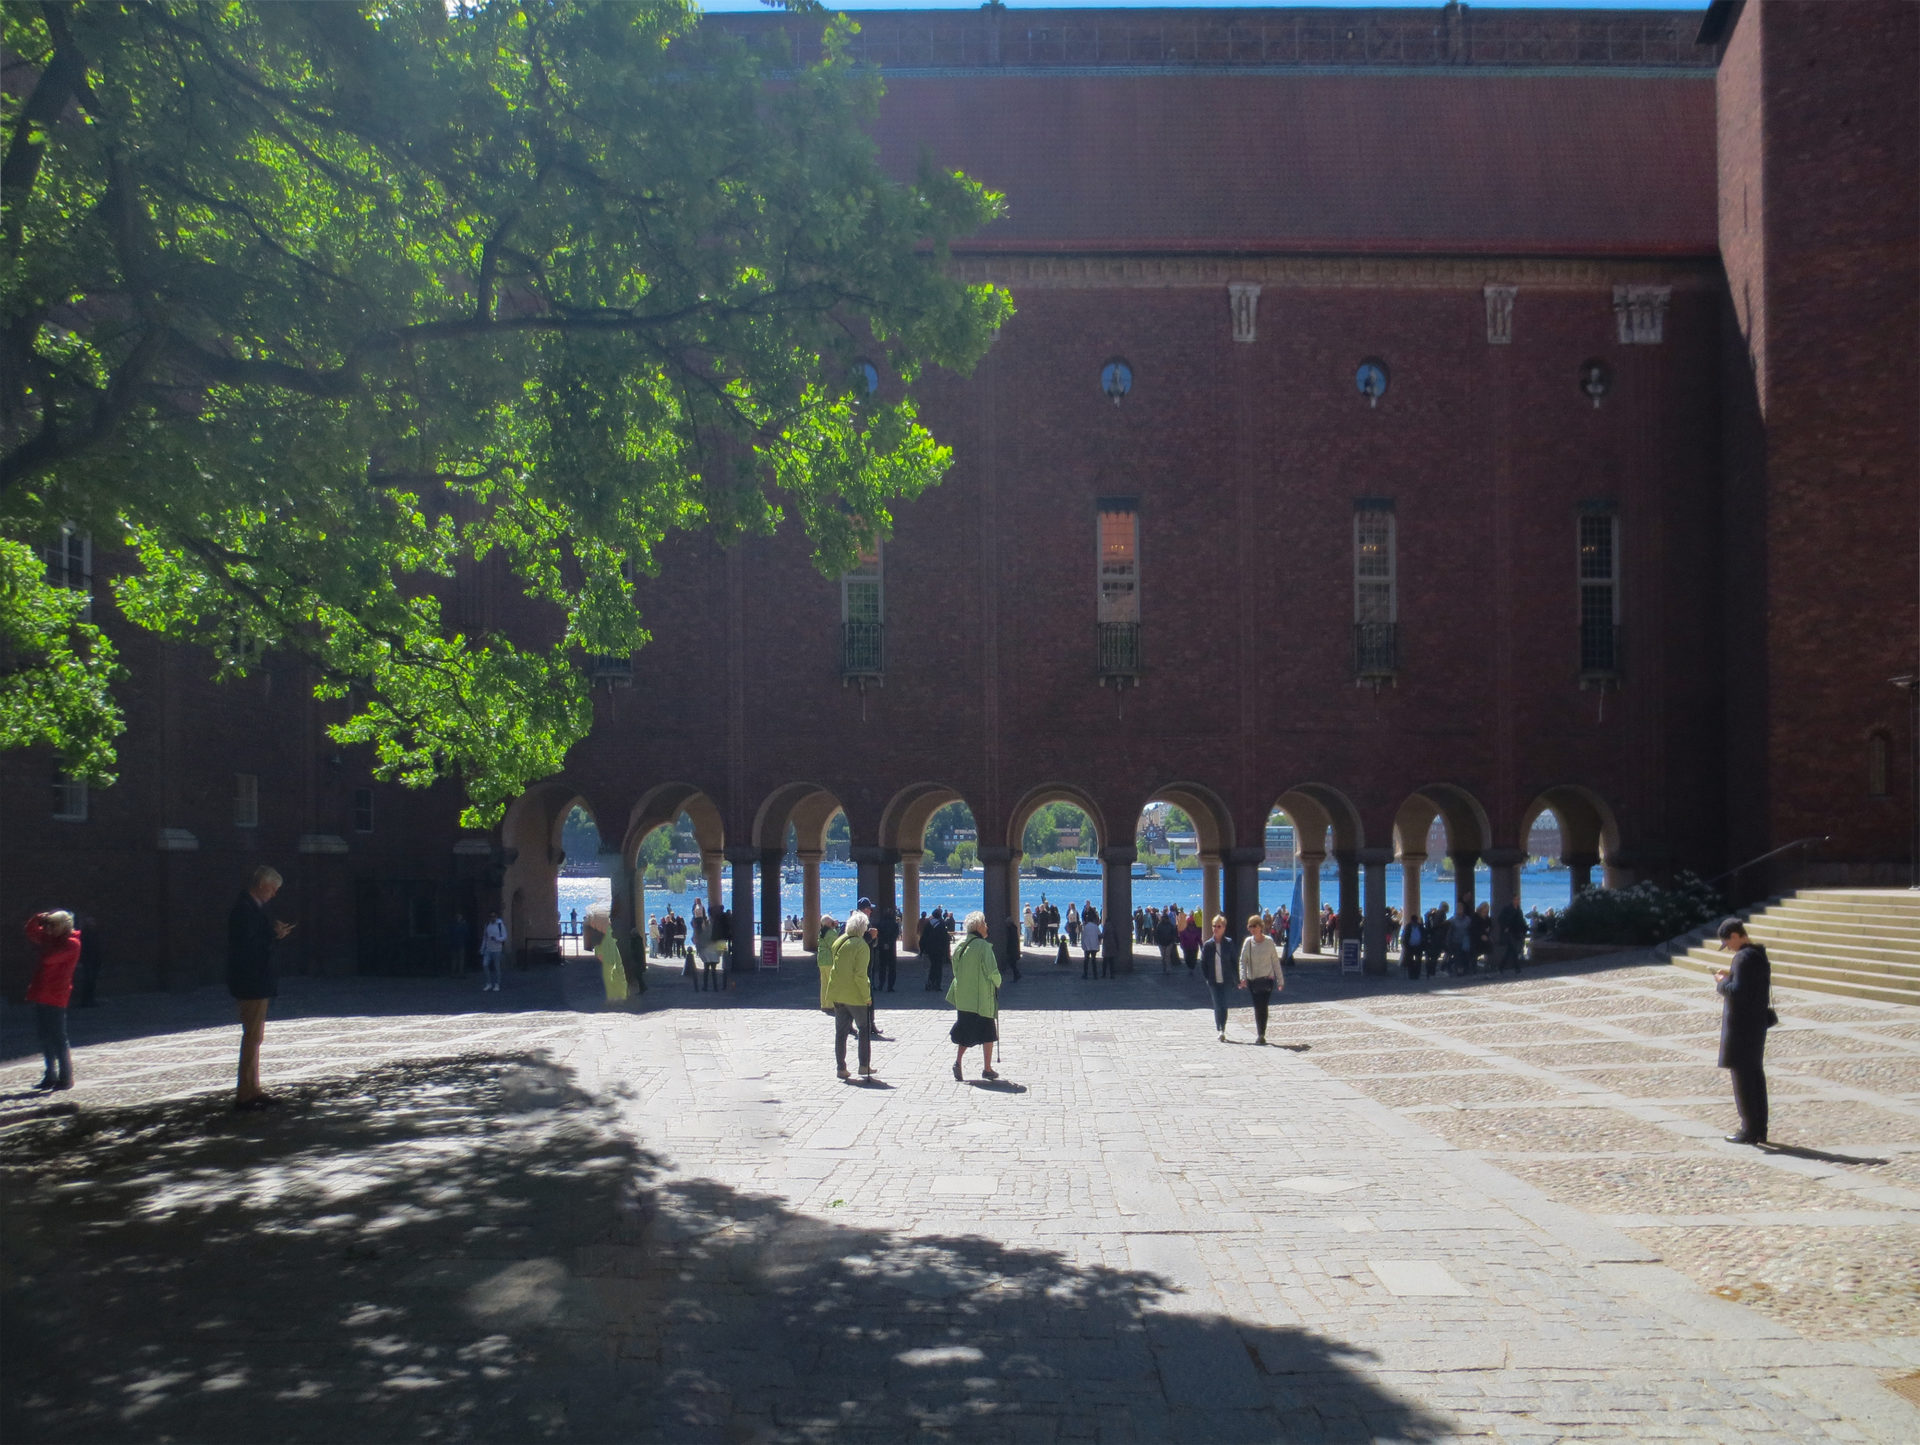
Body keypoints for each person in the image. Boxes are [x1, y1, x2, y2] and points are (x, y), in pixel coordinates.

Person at [227, 865, 292, 1111]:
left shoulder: (252, 908)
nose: (274, 894)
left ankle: (252, 1088)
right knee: (252, 1037)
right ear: (263, 885)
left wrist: (272, 933)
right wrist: (274, 935)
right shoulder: (245, 909)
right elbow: (248, 946)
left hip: (254, 980)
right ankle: (246, 1093)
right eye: (274, 889)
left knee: (255, 1037)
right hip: (250, 981)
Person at [1714, 918, 1774, 1145]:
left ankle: (1748, 1130)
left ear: (1737, 935)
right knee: (1755, 1077)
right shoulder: (1758, 955)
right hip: (1756, 1026)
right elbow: (1749, 986)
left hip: (1741, 1028)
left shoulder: (1743, 957)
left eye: (1728, 942)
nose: (1728, 947)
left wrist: (1721, 982)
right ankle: (1759, 1128)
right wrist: (1731, 976)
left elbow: (1738, 992)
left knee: (1743, 1081)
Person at [25, 910, 81, 1091]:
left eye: (52, 925)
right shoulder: (51, 940)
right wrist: (38, 918)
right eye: (47, 925)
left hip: (57, 995)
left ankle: (66, 1076)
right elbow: (30, 931)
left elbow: (50, 959)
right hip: (41, 992)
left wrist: (46, 941)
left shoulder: (72, 944)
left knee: (58, 1037)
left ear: (63, 926)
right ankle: (50, 1075)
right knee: (44, 1037)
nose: (48, 929)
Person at [947, 911, 1004, 1081]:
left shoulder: (960, 945)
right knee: (988, 1033)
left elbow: (955, 970)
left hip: (964, 997)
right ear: (979, 926)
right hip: (981, 999)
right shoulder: (983, 947)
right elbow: (992, 971)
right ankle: (987, 1068)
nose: (987, 927)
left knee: (965, 1031)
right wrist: (998, 982)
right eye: (985, 923)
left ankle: (958, 1062)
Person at [825, 910, 877, 1080]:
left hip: (838, 993)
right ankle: (864, 1065)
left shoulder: (839, 941)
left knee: (841, 1032)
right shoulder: (861, 945)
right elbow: (860, 975)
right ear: (863, 928)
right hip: (855, 996)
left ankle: (841, 1067)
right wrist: (867, 996)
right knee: (863, 1029)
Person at [1238, 913, 1284, 1045]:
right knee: (1258, 1006)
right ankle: (1260, 1033)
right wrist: (1243, 977)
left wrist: (1280, 981)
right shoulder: (1248, 942)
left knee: (1264, 1006)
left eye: (1254, 926)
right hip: (1253, 980)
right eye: (1250, 926)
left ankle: (1261, 1033)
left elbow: (1275, 961)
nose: (1252, 929)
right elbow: (1243, 961)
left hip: (1267, 979)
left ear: (1260, 927)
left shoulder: (1269, 942)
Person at [1198, 914, 1237, 1042]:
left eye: (1218, 926)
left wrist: (1237, 978)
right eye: (1214, 926)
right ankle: (1219, 1028)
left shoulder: (1229, 943)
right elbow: (1203, 963)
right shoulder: (1208, 945)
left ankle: (1223, 1028)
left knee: (1224, 1005)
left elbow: (1234, 962)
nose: (1216, 928)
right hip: (1213, 980)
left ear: (1224, 928)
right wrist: (1207, 978)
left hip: (1226, 980)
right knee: (1217, 1005)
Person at [584, 906, 629, 1005]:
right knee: (614, 976)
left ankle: (616, 997)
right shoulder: (606, 933)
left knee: (612, 977)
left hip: (609, 957)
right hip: (610, 956)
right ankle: (617, 996)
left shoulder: (603, 933)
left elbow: (598, 945)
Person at [72, 912, 102, 1007]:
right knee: (88, 980)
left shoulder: (93, 933)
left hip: (93, 959)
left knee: (91, 980)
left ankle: (89, 999)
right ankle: (86, 1000)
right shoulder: (85, 934)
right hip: (88, 959)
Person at [921, 908, 952, 991]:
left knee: (932, 966)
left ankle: (930, 982)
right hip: (939, 949)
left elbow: (923, 937)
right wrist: (946, 950)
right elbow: (944, 938)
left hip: (930, 949)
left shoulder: (928, 924)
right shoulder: (941, 924)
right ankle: (937, 984)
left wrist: (922, 949)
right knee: (938, 967)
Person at [1497, 898, 1528, 972]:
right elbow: (1500, 919)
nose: (1517, 901)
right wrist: (1505, 927)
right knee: (1513, 949)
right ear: (1512, 900)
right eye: (1515, 899)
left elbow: (1521, 921)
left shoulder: (1519, 910)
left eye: (1518, 899)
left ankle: (1501, 966)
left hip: (1516, 932)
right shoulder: (1507, 909)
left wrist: (1525, 928)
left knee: (1510, 950)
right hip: (1509, 932)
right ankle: (1517, 968)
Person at [480, 910, 507, 991]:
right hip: (488, 949)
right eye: (491, 916)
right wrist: (482, 948)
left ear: (496, 917)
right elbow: (485, 937)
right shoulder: (487, 925)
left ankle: (497, 984)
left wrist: (497, 939)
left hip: (497, 949)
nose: (493, 918)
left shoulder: (500, 925)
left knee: (496, 967)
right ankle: (488, 983)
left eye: (494, 916)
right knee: (485, 965)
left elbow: (505, 936)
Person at [1154, 907, 1179, 973]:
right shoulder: (1159, 925)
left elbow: (1173, 934)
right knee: (1163, 956)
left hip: (1168, 943)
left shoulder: (1170, 925)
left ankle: (1168, 968)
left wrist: (1172, 942)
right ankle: (1164, 967)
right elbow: (1156, 934)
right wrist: (1158, 941)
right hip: (1161, 942)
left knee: (1167, 956)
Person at [1080, 907, 1103, 980]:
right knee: (1094, 960)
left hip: (1087, 946)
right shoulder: (1095, 927)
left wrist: (1083, 945)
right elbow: (1100, 935)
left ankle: (1085, 974)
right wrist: (1099, 942)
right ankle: (1095, 975)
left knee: (1086, 960)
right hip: (1094, 946)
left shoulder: (1085, 927)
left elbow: (1083, 937)